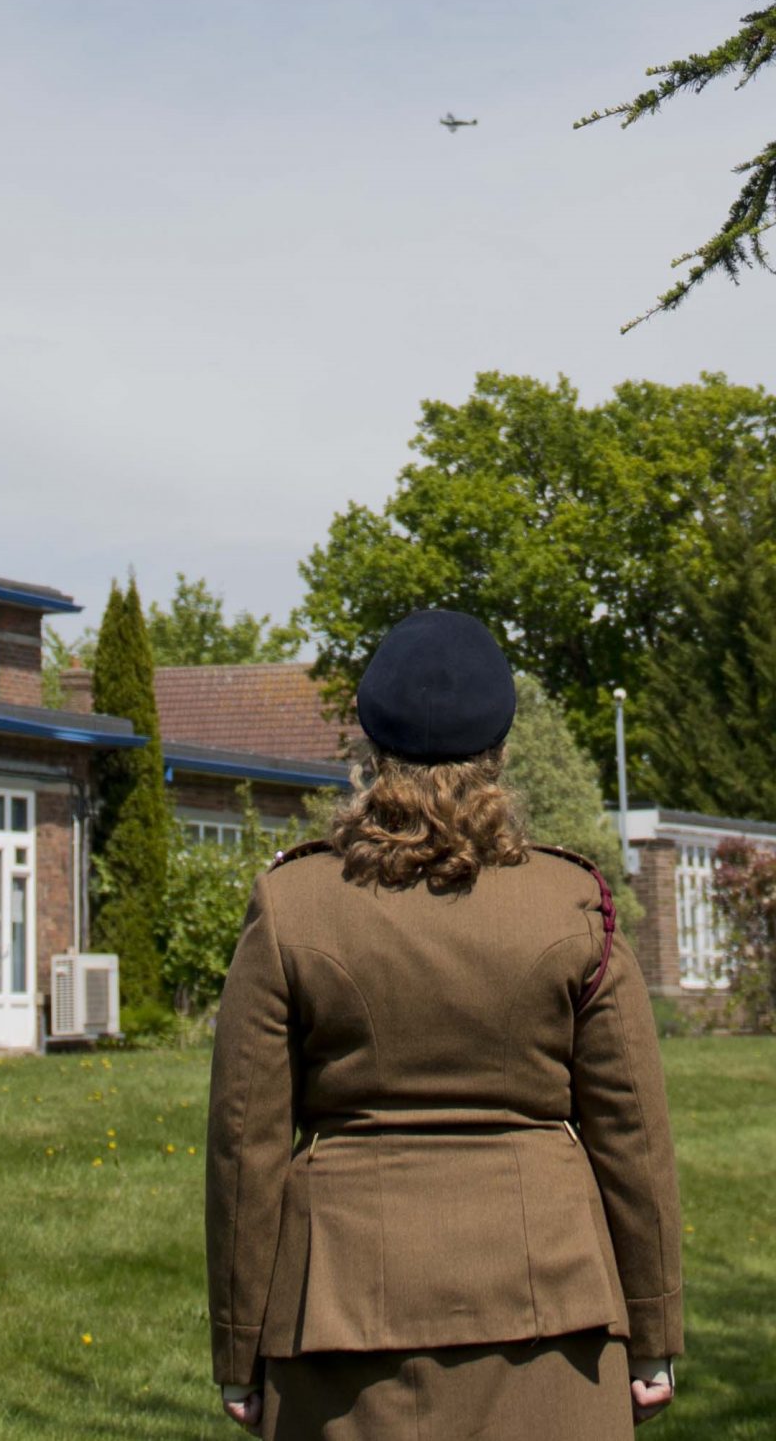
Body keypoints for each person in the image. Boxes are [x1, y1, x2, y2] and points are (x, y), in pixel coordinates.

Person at [205, 610, 682, 1439]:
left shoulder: (292, 905)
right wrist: (654, 1334)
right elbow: (631, 1135)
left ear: (370, 747)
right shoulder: (573, 904)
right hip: (554, 1318)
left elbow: (246, 1145)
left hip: (341, 1326)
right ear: (499, 750)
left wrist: (240, 1349)